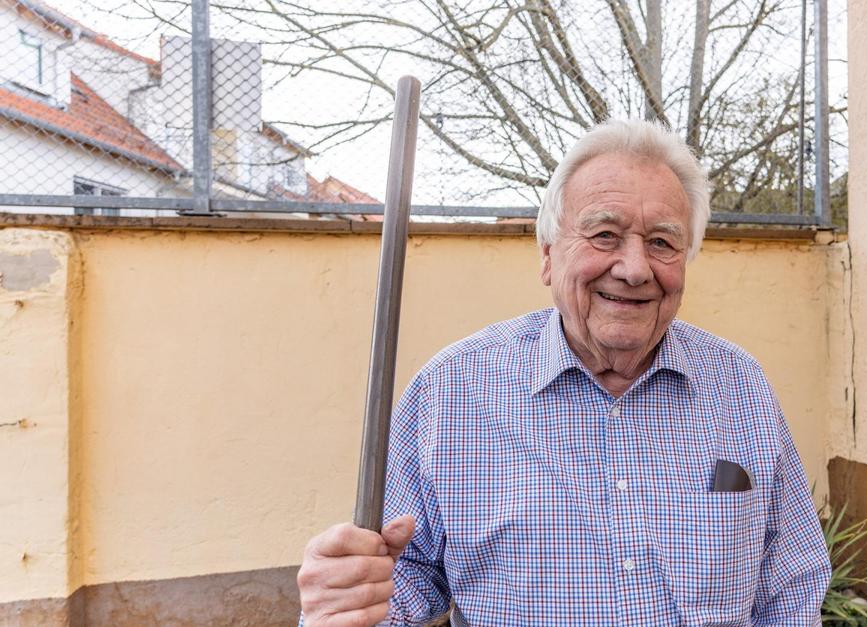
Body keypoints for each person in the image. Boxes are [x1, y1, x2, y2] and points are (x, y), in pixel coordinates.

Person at [297, 119, 832, 626]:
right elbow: (405, 578)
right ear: (549, 256)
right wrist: (350, 599)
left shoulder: (740, 386)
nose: (634, 268)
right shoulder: (452, 392)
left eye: (662, 243)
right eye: (604, 235)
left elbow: (792, 581)